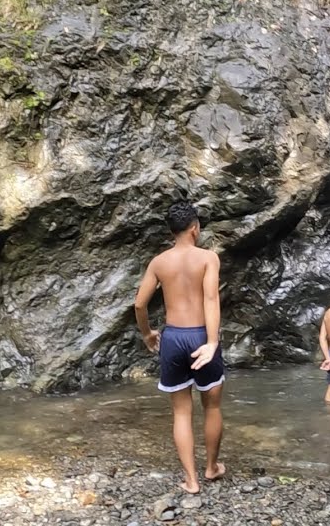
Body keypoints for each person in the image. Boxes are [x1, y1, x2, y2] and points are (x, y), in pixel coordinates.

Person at [134, 201, 227, 495]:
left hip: (173, 337)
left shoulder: (159, 262)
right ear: (195, 228)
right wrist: (212, 342)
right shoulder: (208, 258)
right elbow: (211, 299)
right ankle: (211, 468)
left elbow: (139, 303)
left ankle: (191, 480)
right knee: (211, 405)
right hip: (201, 335)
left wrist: (148, 333)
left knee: (181, 413)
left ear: (170, 231)